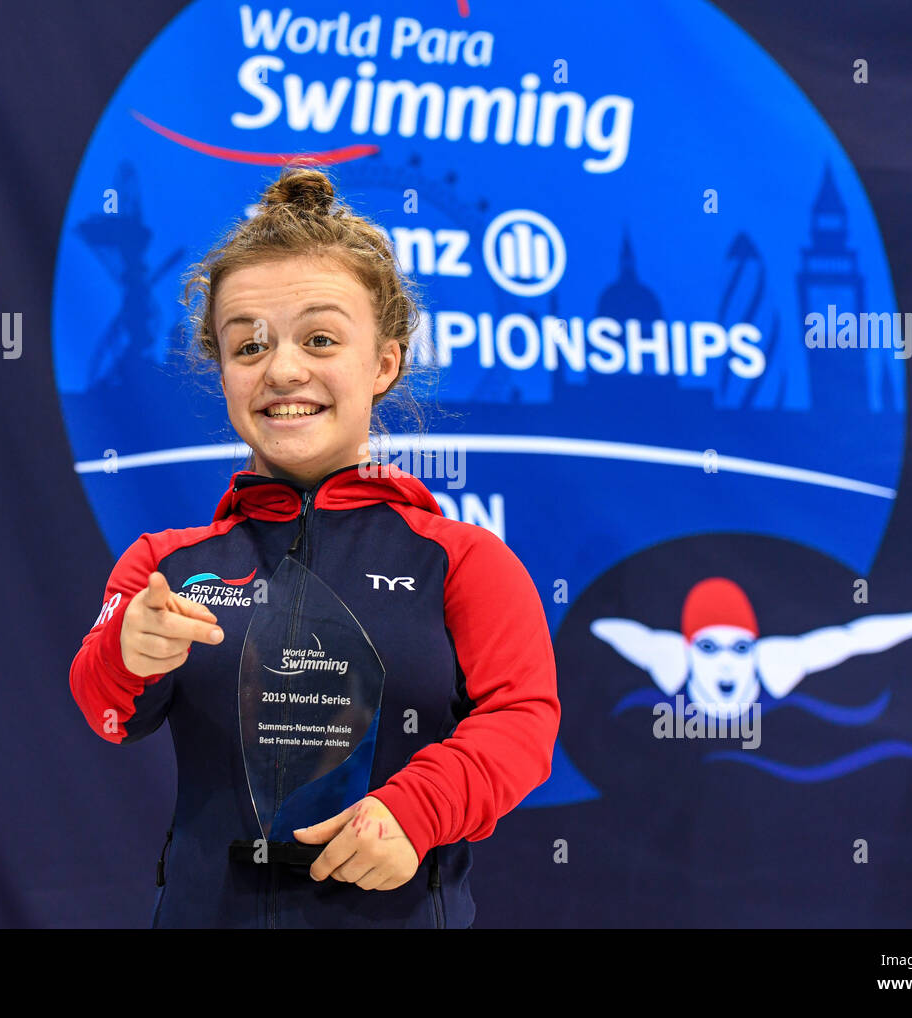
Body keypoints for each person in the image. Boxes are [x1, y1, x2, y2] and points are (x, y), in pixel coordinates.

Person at [68, 165, 560, 929]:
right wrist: (126, 653)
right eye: (249, 346)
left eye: (321, 338)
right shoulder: (165, 566)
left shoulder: (463, 561)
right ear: (223, 372)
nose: (284, 369)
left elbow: (522, 723)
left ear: (385, 363)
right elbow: (107, 713)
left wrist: (417, 810)